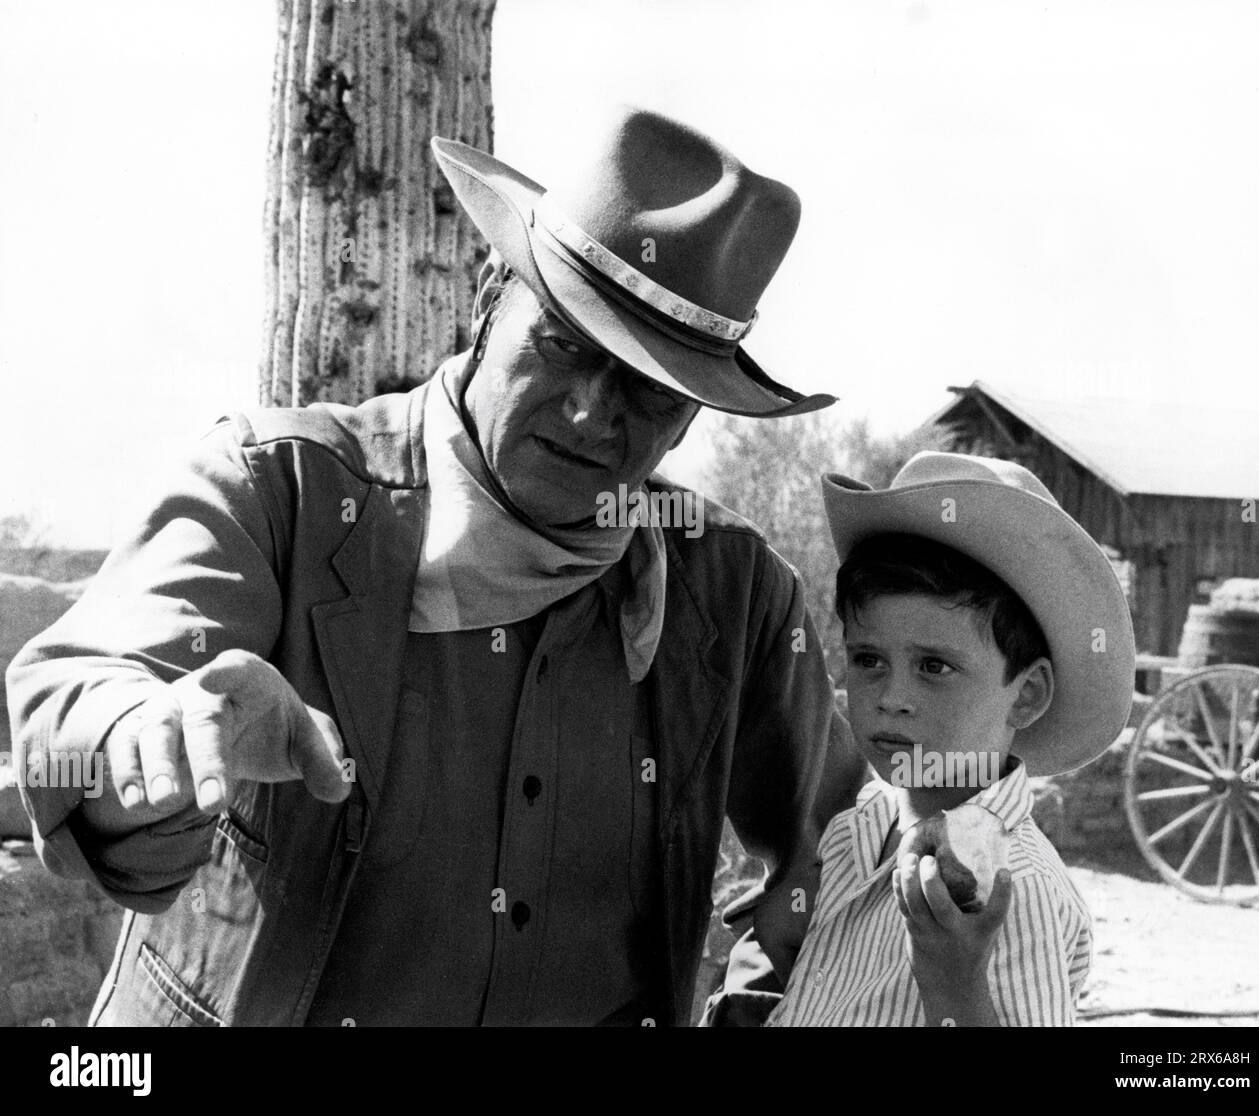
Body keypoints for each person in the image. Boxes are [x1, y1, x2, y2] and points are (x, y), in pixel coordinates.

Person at [5, 106, 867, 1026]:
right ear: (489, 295)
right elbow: (89, 690)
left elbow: (839, 860)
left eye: (648, 394)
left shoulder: (734, 599)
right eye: (564, 346)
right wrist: (153, 739)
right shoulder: (277, 490)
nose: (588, 414)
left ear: (692, 417)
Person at [750, 452, 1135, 1026]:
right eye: (868, 659)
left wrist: (955, 986)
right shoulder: (850, 834)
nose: (890, 696)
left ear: (1026, 695)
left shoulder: (1013, 889)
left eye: (934, 666)